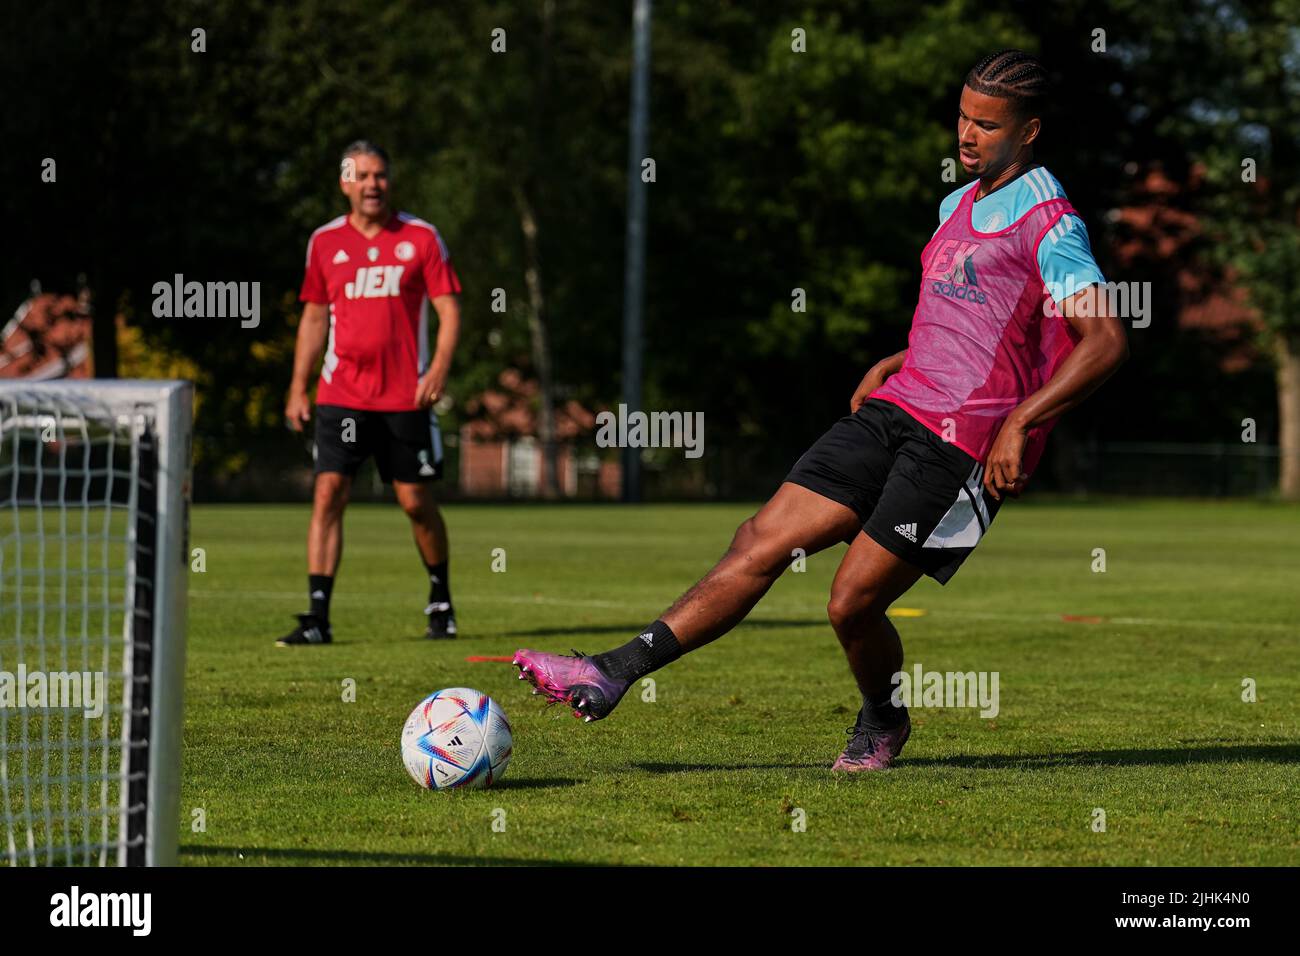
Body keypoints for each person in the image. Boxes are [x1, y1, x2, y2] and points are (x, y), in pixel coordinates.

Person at [513, 50, 1129, 770]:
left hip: (961, 444)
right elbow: (978, 317)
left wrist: (1021, 423)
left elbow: (1107, 339)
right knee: (759, 541)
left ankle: (884, 719)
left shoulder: (1053, 223)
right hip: (896, 410)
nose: (965, 134)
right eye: (961, 116)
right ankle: (611, 671)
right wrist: (899, 359)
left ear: (1029, 132)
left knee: (850, 604)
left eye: (986, 125)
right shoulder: (955, 205)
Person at [279, 140, 463, 645]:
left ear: (390, 180)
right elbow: (314, 317)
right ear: (345, 183)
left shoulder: (421, 237)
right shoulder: (324, 243)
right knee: (328, 492)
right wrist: (298, 385)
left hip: (407, 396)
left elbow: (448, 309)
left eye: (379, 175)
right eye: (360, 175)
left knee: (415, 502)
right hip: (341, 392)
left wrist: (440, 368)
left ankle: (440, 600)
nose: (372, 184)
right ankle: (317, 618)